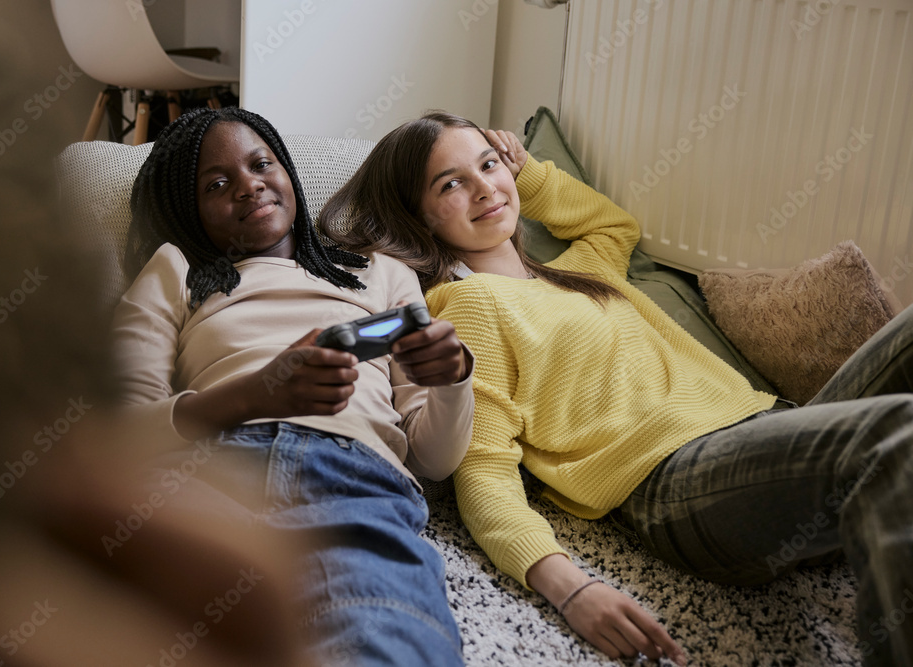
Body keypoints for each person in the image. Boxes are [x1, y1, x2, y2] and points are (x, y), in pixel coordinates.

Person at [319, 110, 913, 666]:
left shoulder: (583, 271)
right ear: (419, 216)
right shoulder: (470, 304)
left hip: (765, 424)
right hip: (680, 479)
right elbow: (484, 468)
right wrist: (570, 587)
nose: (483, 188)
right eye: (450, 184)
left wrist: (530, 171)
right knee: (896, 433)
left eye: (489, 164)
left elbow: (613, 224)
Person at [113, 107, 476, 666]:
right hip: (210, 471)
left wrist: (451, 381)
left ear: (288, 172)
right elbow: (121, 433)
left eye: (262, 164)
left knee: (392, 639)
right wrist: (258, 394)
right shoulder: (176, 268)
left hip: (356, 480)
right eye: (217, 183)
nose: (250, 185)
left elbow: (434, 458)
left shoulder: (381, 272)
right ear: (189, 209)